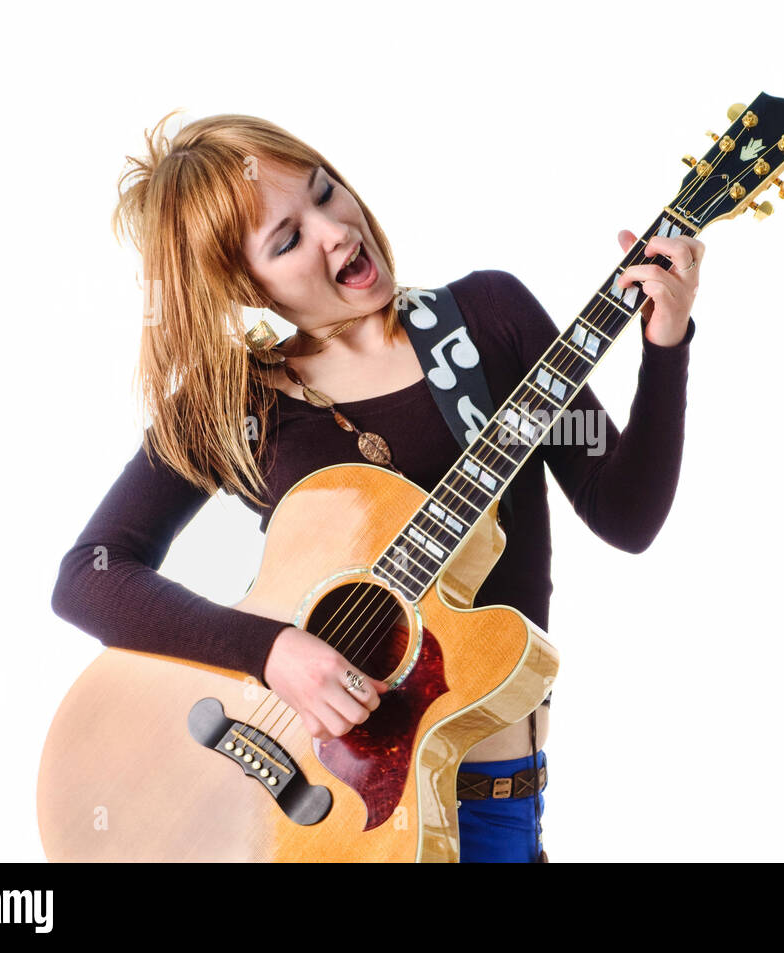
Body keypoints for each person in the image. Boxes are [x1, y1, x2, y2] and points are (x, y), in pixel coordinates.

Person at [50, 110, 701, 862]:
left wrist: (666, 342)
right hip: (319, 826)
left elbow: (626, 515)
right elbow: (89, 574)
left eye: (326, 192)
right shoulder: (239, 402)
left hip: (492, 804)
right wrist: (272, 650)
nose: (335, 230)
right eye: (288, 239)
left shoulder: (489, 321)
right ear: (241, 282)